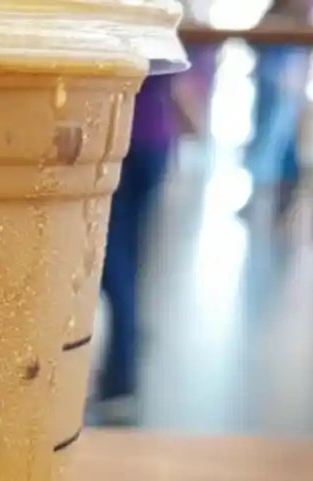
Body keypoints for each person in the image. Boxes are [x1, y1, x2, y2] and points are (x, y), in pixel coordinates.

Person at [96, 53, 210, 422]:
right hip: (155, 139)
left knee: (115, 263)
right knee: (131, 258)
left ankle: (121, 375)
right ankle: (122, 370)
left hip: (116, 140)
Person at [244, 0, 313, 217]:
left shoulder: (301, 20)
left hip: (286, 91)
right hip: (273, 89)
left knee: (278, 144)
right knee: (268, 141)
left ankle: (278, 200)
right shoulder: (275, 16)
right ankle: (264, 197)